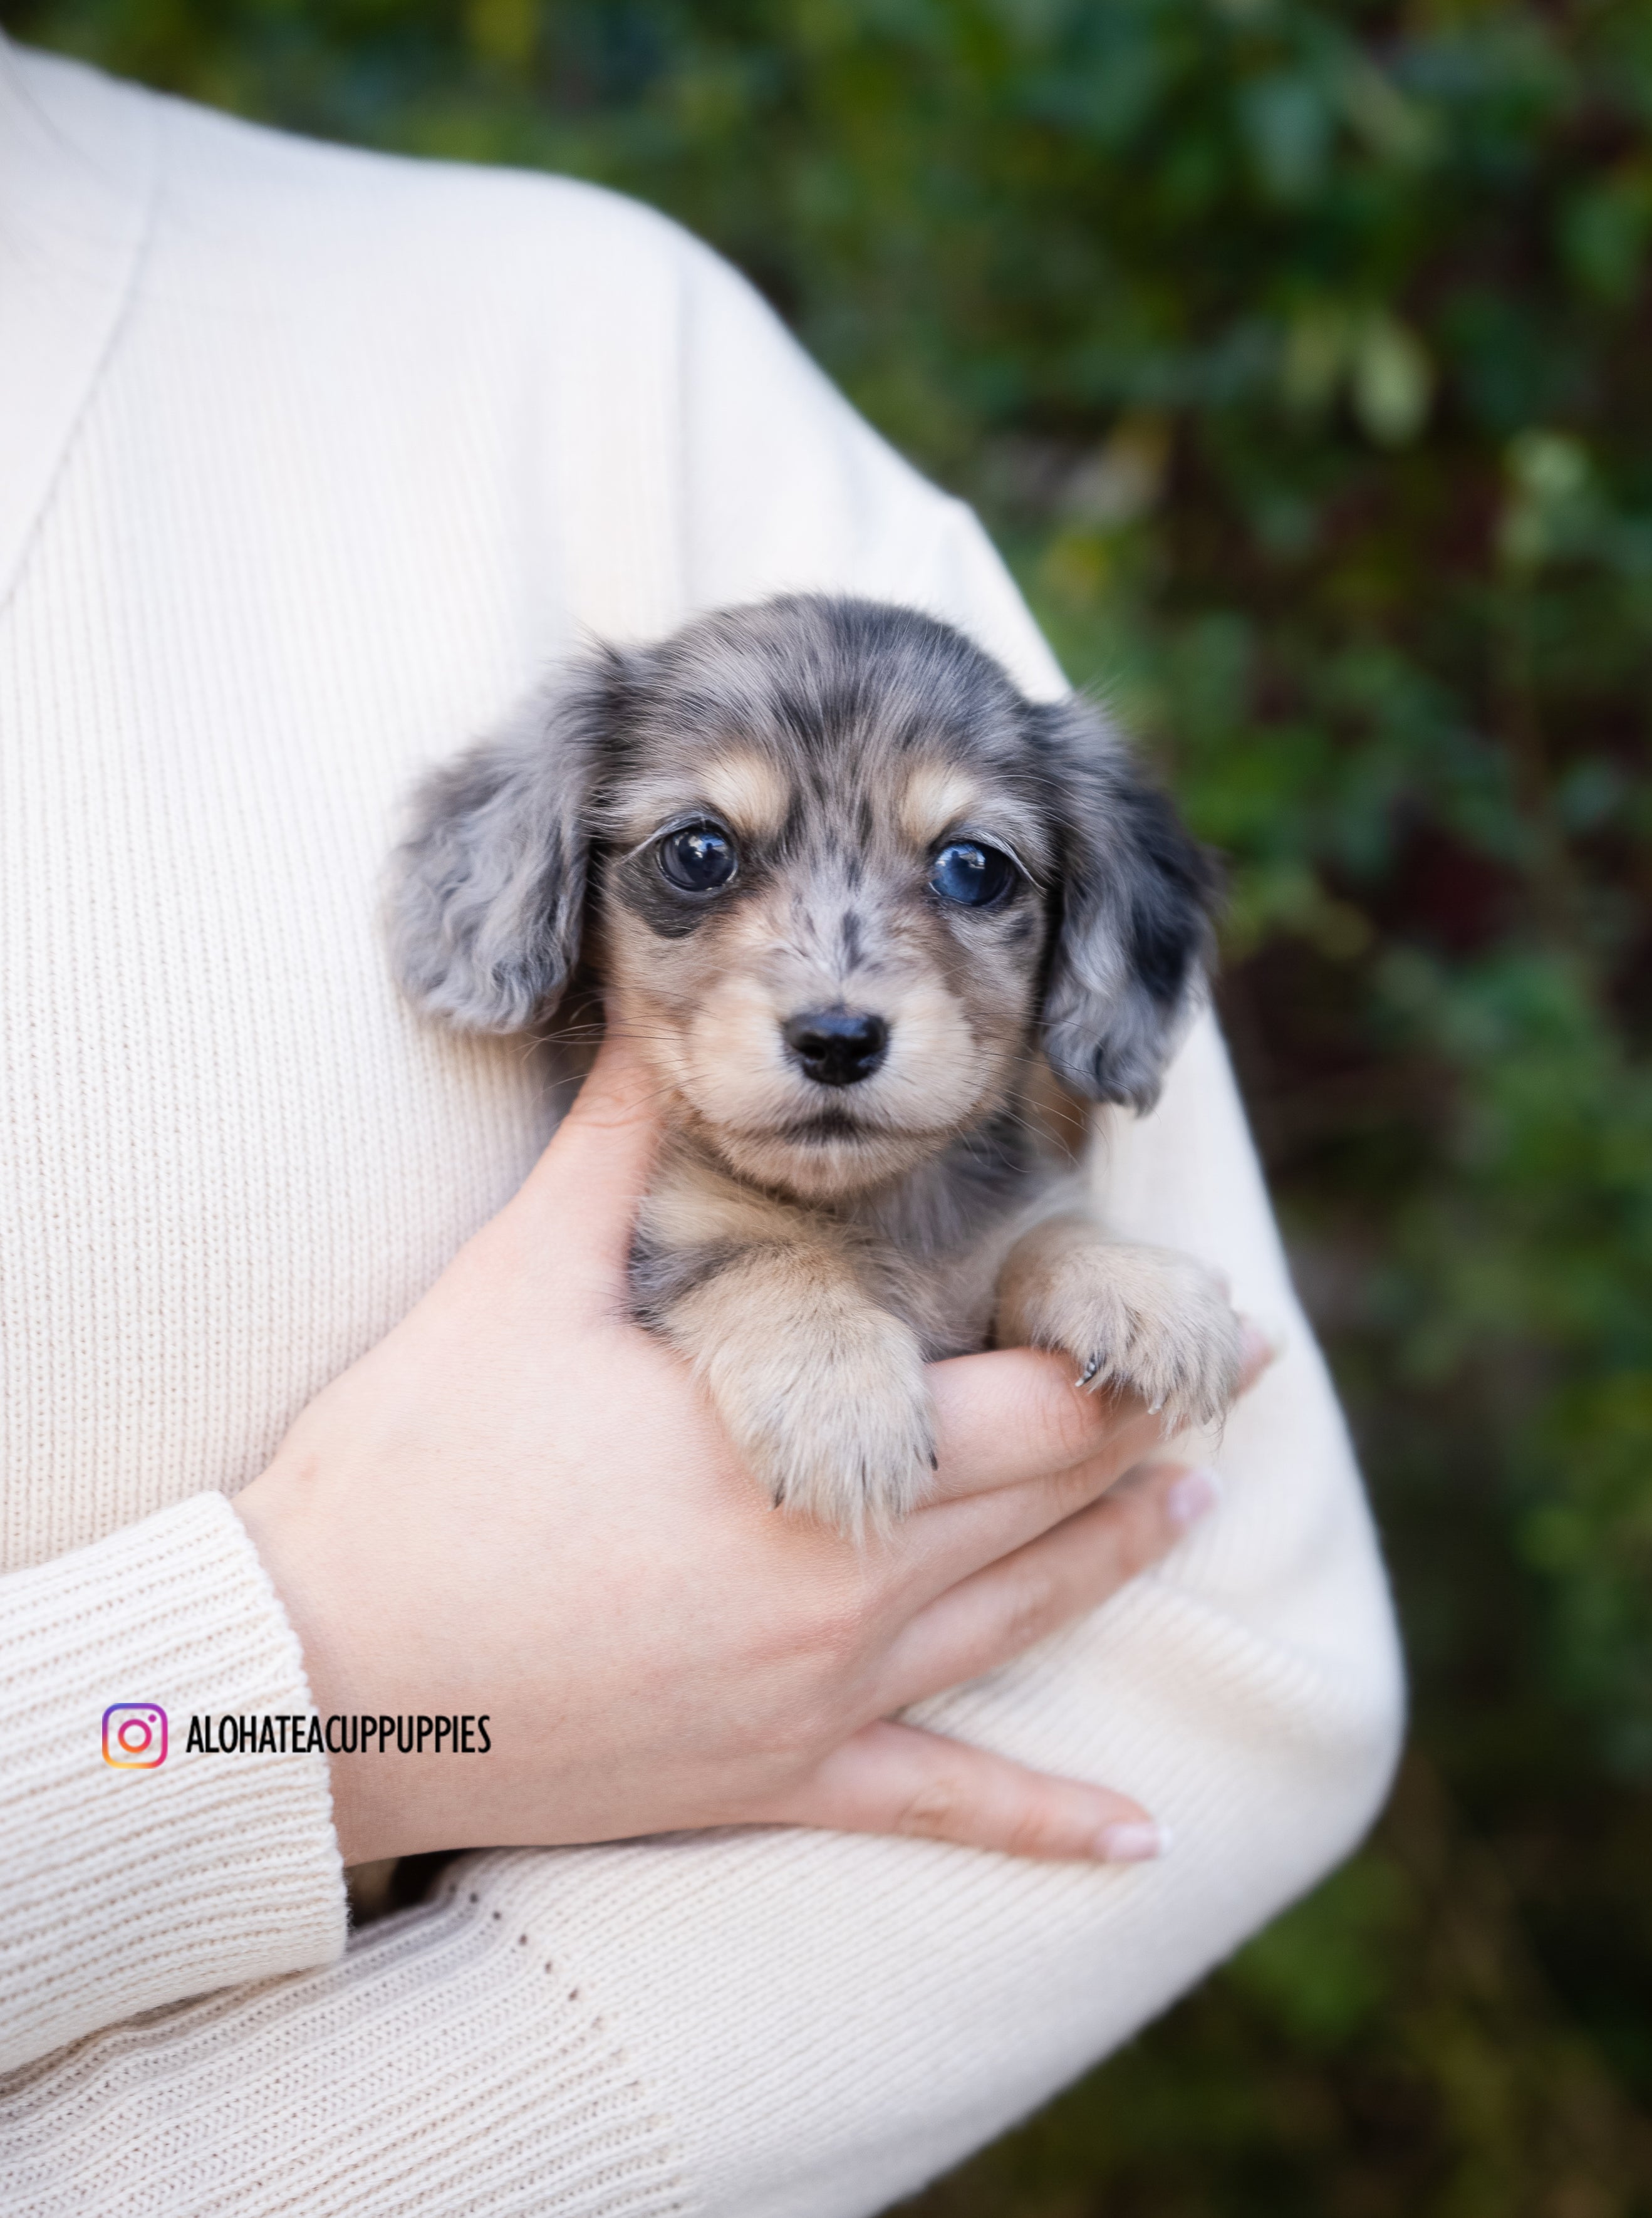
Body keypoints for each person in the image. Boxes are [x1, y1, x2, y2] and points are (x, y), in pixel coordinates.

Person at [0, 31, 1405, 2217]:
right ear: (551, 872)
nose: (840, 993)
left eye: (969, 877)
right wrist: (328, 1697)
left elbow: (1240, 1649)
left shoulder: (604, 350)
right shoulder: (538, 798)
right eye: (697, 864)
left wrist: (1046, 1273)